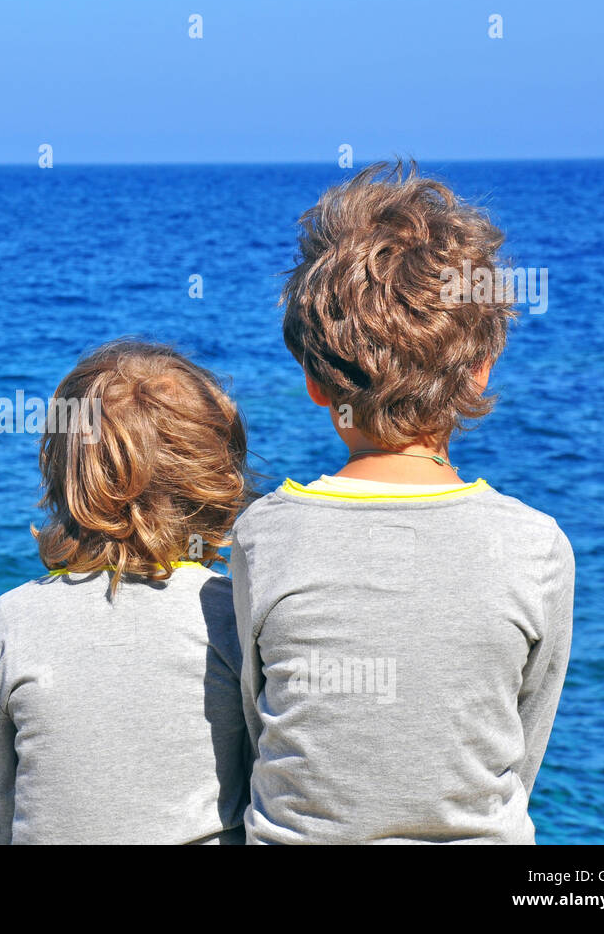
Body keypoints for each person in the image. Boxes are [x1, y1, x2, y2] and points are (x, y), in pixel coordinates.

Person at [232, 161, 575, 844]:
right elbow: (518, 755)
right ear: (481, 365)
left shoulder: (263, 536)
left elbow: (257, 719)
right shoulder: (537, 548)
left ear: (314, 381)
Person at [0, 340, 253, 844]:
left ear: (65, 474)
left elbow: (6, 805)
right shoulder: (229, 612)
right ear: (219, 478)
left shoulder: (12, 620)